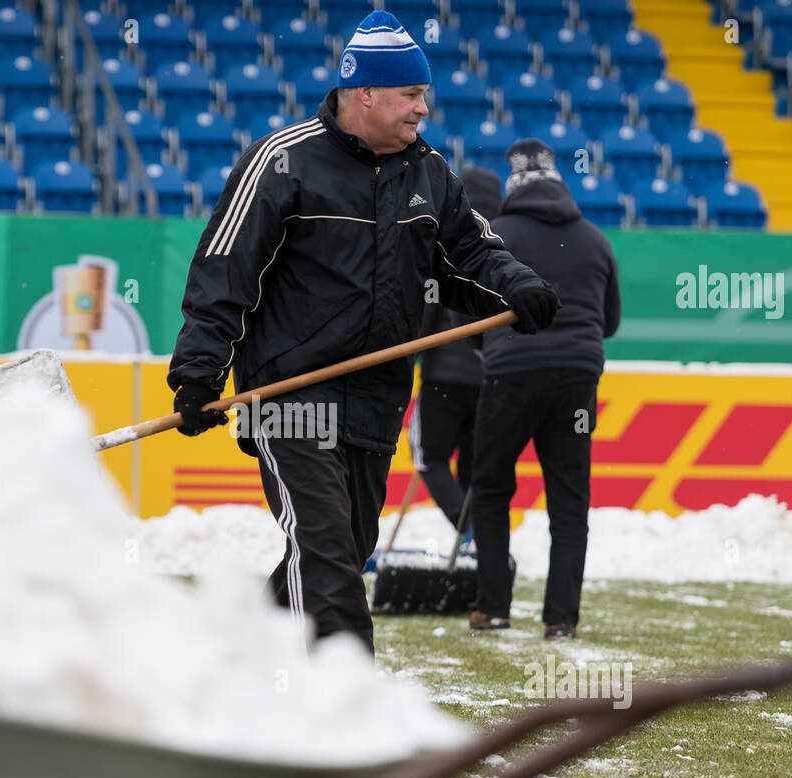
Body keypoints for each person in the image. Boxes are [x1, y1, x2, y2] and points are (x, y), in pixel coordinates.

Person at [166, 11, 558, 655]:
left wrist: (520, 286)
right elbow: (223, 273)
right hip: (290, 397)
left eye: (424, 95)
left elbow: (473, 253)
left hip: (375, 402)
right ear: (364, 92)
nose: (423, 109)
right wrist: (198, 371)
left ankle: (226, 656)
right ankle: (349, 705)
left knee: (344, 555)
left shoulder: (430, 175)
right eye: (410, 95)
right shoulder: (281, 161)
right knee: (324, 559)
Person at [469, 139, 621, 639]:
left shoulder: (499, 235)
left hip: (511, 373)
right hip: (576, 380)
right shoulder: (596, 240)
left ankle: (492, 607)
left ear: (512, 184)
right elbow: (611, 323)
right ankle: (561, 619)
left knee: (490, 488)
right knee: (570, 501)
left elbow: (468, 309)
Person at [409, 166, 503, 532]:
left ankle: (473, 530)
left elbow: (426, 315)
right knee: (473, 464)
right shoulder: (504, 246)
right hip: (489, 379)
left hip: (442, 377)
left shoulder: (445, 239)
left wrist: (405, 362)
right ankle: (480, 544)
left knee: (430, 459)